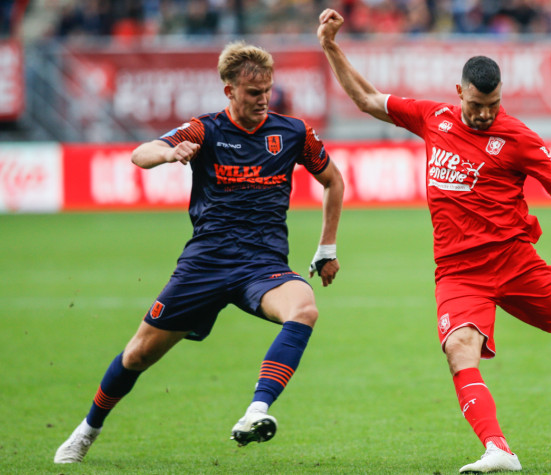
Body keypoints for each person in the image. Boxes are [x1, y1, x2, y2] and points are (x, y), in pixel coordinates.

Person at [318, 8, 551, 473]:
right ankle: (499, 450)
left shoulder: (518, 137)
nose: (483, 114)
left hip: (516, 264)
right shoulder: (433, 118)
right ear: (459, 93)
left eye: (492, 105)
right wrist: (331, 46)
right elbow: (368, 99)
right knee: (459, 350)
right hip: (457, 273)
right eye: (475, 105)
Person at [54, 41, 345, 463]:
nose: (262, 99)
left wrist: (327, 247)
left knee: (304, 309)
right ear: (229, 91)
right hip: (205, 264)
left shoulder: (293, 133)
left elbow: (333, 181)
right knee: (137, 354)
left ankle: (255, 411)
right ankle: (87, 430)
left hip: (262, 265)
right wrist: (171, 153)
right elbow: (140, 154)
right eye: (252, 92)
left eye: (267, 90)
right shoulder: (205, 129)